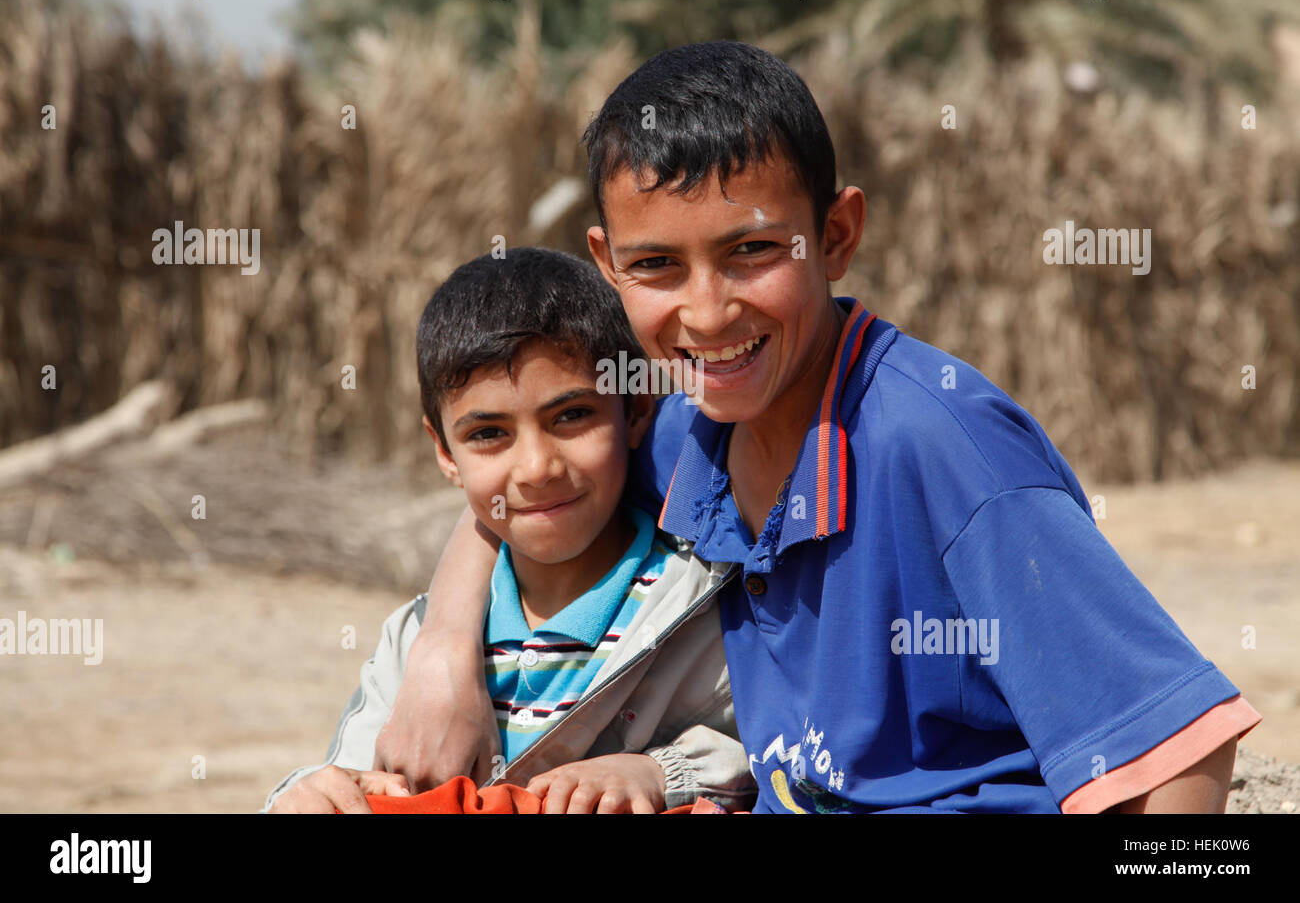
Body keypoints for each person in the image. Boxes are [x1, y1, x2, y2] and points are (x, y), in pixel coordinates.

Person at [374, 41, 1260, 813]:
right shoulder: (689, 438)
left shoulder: (939, 447)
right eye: (657, 266)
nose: (708, 312)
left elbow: (1179, 746)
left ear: (835, 235)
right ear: (608, 265)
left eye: (751, 251)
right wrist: (445, 654)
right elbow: (532, 484)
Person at [264, 247, 754, 813]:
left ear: (637, 409)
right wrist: (299, 794)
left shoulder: (700, 603)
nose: (538, 467)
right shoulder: (416, 638)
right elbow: (356, 776)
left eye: (571, 416)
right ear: (445, 453)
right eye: (489, 433)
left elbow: (776, 755)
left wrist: (658, 770)